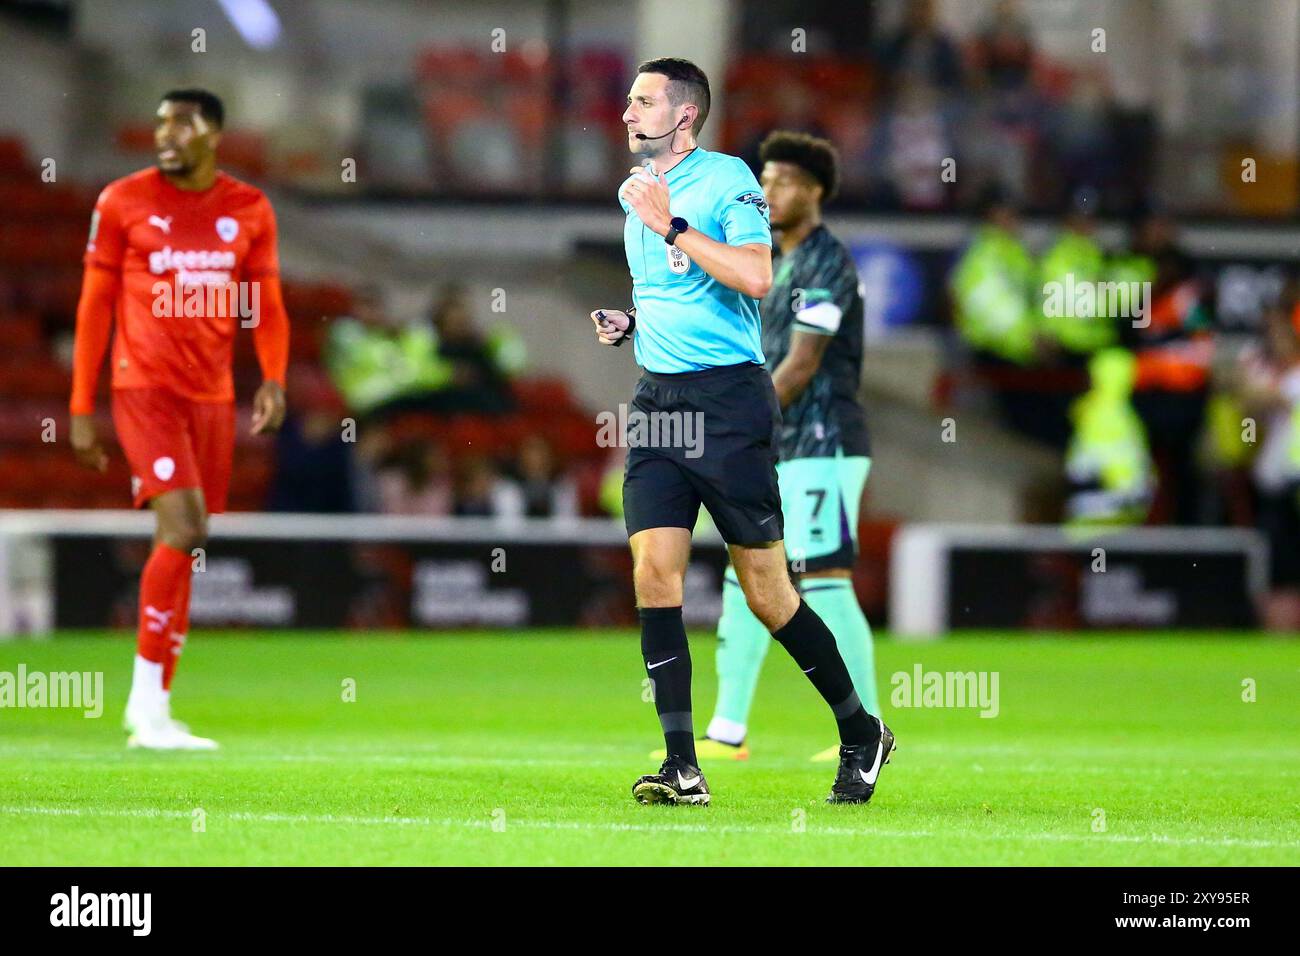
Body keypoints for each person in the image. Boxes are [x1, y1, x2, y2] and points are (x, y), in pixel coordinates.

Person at [591, 58, 893, 806]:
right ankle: (682, 766)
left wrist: (675, 225)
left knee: (768, 592)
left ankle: (861, 731)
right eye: (629, 101)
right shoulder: (635, 197)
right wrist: (632, 324)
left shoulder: (726, 182)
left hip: (727, 405)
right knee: (653, 573)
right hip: (660, 404)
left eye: (643, 101)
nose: (628, 113)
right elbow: (673, 291)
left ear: (684, 115)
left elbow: (756, 278)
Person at [69, 89, 289, 749]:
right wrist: (80, 405)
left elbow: (268, 302)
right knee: (184, 524)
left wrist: (274, 377)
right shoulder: (122, 201)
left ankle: (158, 707)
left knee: (192, 542)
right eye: (159, 122)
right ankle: (144, 707)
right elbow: (94, 305)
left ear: (214, 133)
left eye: (181, 123)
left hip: (212, 396)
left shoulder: (248, 208)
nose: (164, 134)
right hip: (145, 388)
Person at [695, 131, 877, 764]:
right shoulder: (772, 259)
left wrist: (739, 421)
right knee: (748, 571)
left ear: (816, 191)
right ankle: (726, 729)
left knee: (824, 575)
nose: (769, 192)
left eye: (784, 182)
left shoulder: (828, 262)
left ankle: (866, 725)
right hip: (777, 442)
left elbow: (801, 366)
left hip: (823, 442)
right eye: (764, 180)